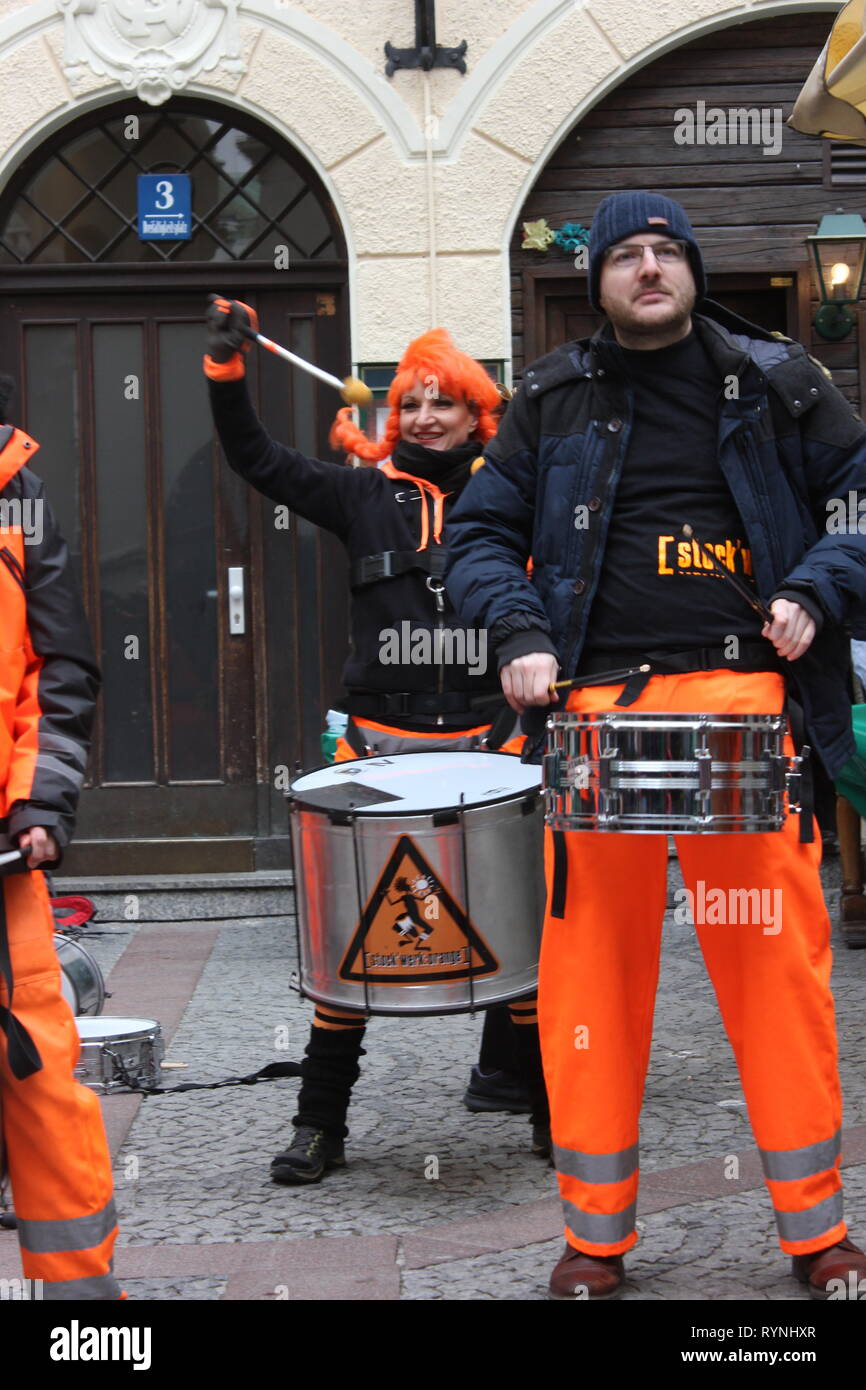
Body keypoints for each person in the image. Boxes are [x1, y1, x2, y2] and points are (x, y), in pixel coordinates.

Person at [445, 191, 866, 1300]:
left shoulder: (777, 378)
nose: (644, 268)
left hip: (742, 701)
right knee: (592, 982)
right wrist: (517, 629)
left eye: (662, 252)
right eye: (622, 255)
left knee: (774, 973)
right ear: (594, 282)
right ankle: (593, 1240)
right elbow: (477, 533)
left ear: (691, 270)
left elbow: (858, 497)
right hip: (595, 713)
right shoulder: (547, 398)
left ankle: (816, 1235)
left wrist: (817, 589)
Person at [203, 307, 549, 1182]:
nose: (428, 417)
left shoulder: (514, 493)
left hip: (494, 748)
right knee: (348, 947)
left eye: (446, 404)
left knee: (529, 950)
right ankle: (320, 1125)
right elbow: (257, 459)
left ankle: (556, 1116)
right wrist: (226, 373)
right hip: (379, 751)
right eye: (414, 403)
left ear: (479, 414)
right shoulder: (362, 493)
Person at [0, 383, 121, 1300]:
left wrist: (40, 803)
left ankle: (82, 1314)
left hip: (1, 868)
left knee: (38, 1078)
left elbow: (61, 661)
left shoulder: (17, 494)